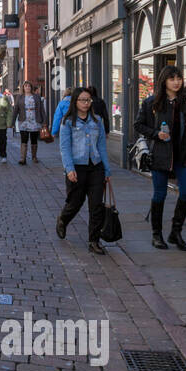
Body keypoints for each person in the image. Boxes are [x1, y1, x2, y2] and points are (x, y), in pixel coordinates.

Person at [135, 65, 186, 250]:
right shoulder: (151, 103)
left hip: (182, 155)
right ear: (164, 81)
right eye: (172, 79)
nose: (176, 82)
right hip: (161, 155)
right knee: (160, 195)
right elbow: (138, 125)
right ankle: (157, 234)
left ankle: (175, 232)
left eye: (178, 78)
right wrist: (156, 134)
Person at [58, 85, 112, 254]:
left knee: (96, 205)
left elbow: (102, 147)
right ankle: (63, 220)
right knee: (75, 203)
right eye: (82, 100)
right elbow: (65, 148)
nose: (86, 103)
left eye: (88, 100)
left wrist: (107, 171)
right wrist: (69, 169)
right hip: (76, 168)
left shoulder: (97, 121)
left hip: (95, 167)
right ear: (75, 101)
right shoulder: (68, 122)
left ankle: (94, 241)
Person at [14, 81, 47, 165]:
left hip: (35, 121)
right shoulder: (19, 97)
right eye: (26, 86)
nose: (27, 88)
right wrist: (12, 122)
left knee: (34, 139)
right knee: (24, 139)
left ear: (31, 88)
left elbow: (42, 110)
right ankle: (23, 158)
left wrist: (44, 121)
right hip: (23, 121)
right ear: (23, 88)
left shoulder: (36, 97)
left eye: (29, 86)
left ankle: (34, 157)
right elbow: (15, 110)